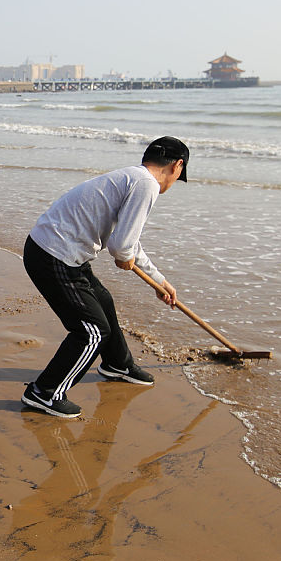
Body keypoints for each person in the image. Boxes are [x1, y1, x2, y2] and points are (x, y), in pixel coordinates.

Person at [19, 137, 189, 418]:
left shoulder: (133, 177)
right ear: (177, 166)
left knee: (103, 302)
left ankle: (117, 364)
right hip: (54, 255)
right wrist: (124, 255)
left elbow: (127, 242)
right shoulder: (147, 184)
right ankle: (44, 392)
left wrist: (158, 280)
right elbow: (122, 247)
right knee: (91, 331)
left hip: (59, 251)